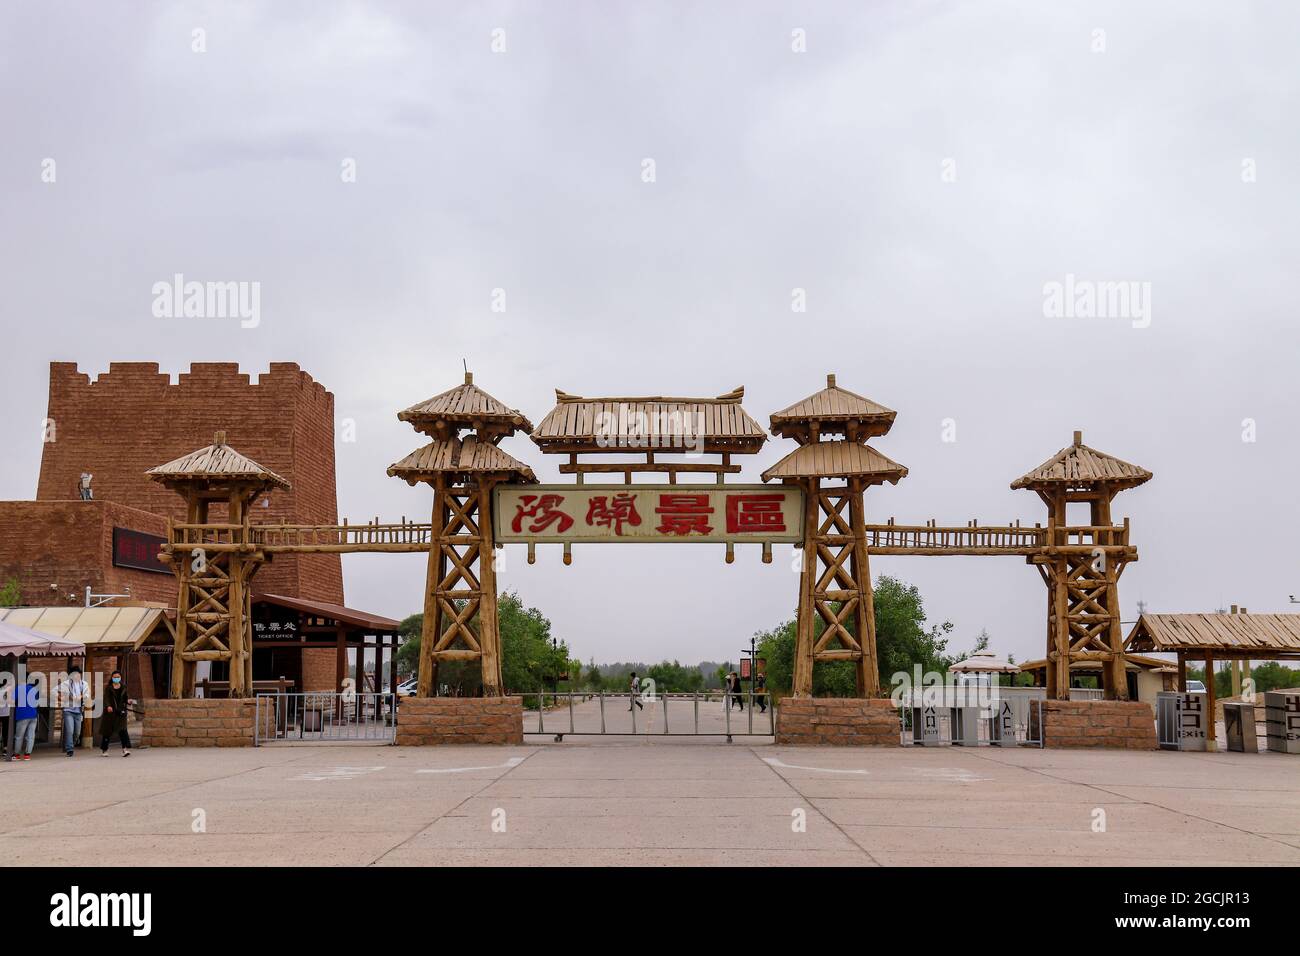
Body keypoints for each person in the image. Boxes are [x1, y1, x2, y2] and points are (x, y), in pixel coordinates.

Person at [100, 670, 133, 757]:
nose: (116, 678)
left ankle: (125, 749)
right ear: (112, 678)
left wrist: (128, 701)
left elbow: (126, 698)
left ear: (120, 678)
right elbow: (106, 698)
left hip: (121, 712)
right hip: (110, 713)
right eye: (114, 677)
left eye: (118, 677)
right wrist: (108, 706)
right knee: (107, 731)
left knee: (123, 730)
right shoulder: (109, 688)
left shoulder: (124, 687)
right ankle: (104, 749)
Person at [58, 666, 90, 756]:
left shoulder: (84, 684)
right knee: (70, 731)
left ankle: (73, 743)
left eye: (78, 674)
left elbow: (86, 695)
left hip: (78, 711)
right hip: (68, 710)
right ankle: (70, 749)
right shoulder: (66, 684)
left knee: (77, 732)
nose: (76, 676)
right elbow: (59, 694)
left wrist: (80, 697)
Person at [12, 675, 40, 761]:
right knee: (30, 736)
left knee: (19, 736)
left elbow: (11, 700)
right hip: (33, 715)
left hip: (22, 714)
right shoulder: (35, 689)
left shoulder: (19, 688)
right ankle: (27, 755)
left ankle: (16, 755)